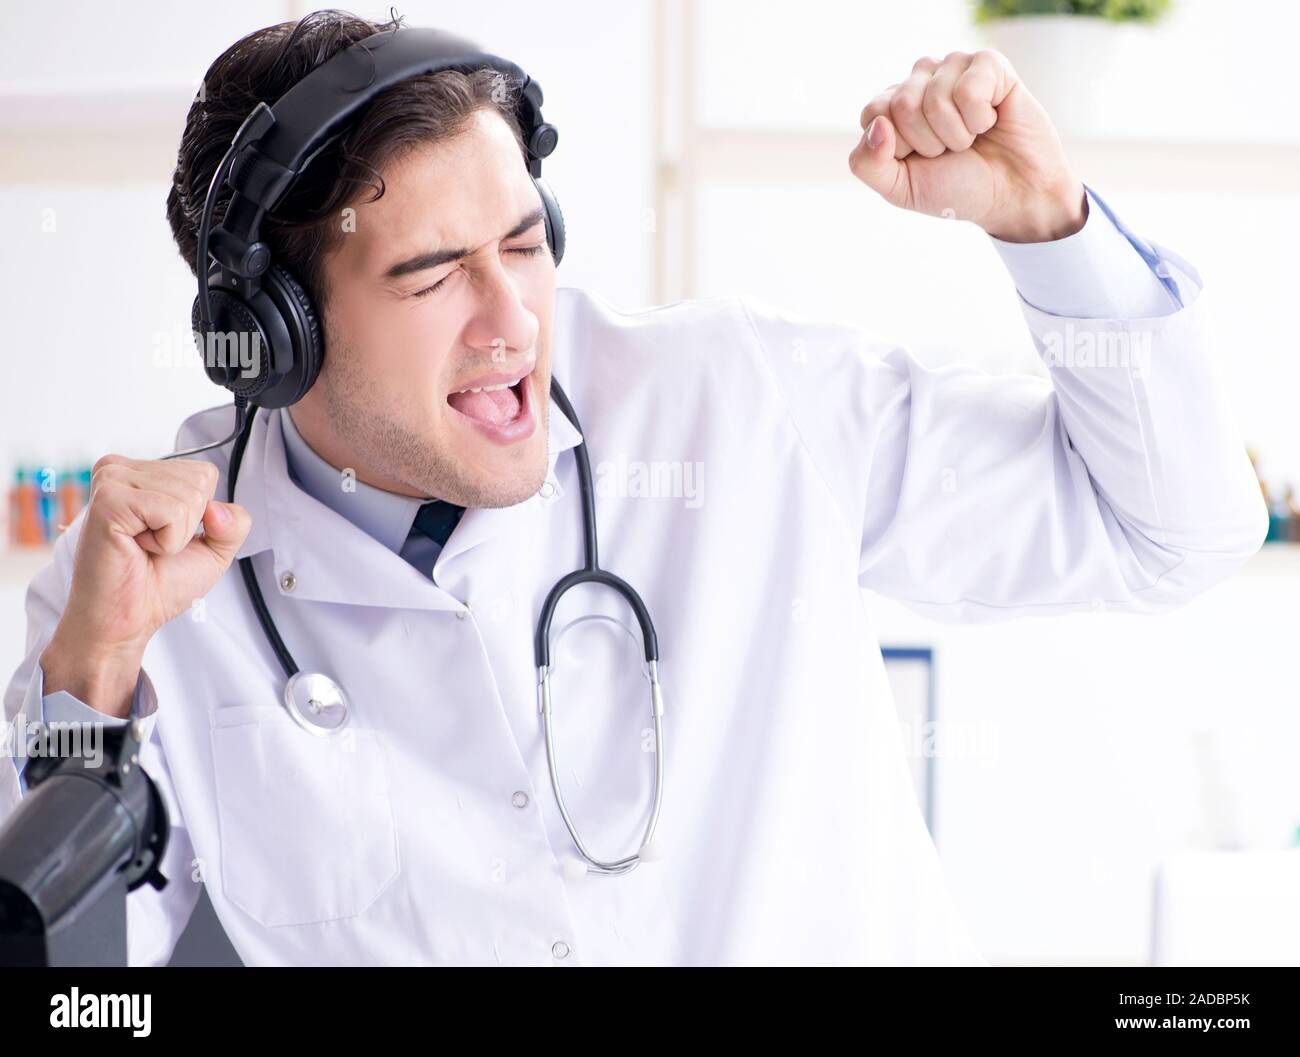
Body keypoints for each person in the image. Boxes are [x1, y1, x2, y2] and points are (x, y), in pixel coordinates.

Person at [1, 10, 1267, 966]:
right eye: (434, 271)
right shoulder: (138, 589)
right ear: (272, 334)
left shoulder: (739, 403)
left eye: (525, 240)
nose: (512, 316)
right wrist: (90, 684)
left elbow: (1179, 533)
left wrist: (1051, 227)